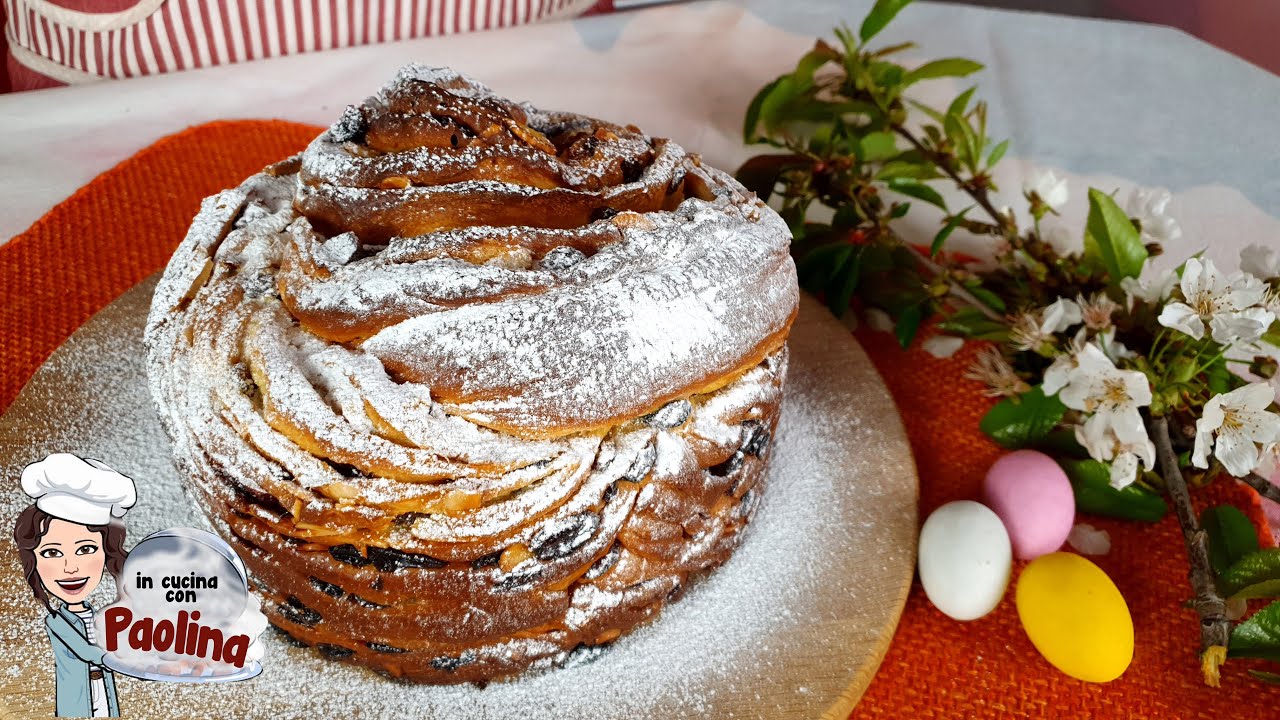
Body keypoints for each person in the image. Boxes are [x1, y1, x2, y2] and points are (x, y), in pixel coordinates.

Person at [13, 453, 137, 718]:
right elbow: (83, 649)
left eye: (86, 549)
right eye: (52, 553)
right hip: (76, 697)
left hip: (102, 690)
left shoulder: (97, 615)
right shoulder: (56, 622)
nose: (70, 567)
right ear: (32, 559)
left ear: (106, 553)